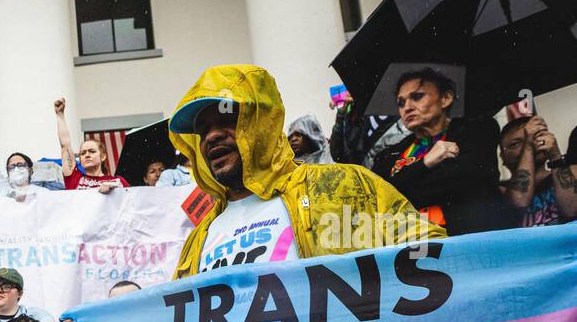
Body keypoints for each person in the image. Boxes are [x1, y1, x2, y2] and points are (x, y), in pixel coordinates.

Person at [167, 64, 443, 279]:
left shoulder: (343, 188)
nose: (212, 136)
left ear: (262, 122)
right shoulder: (198, 238)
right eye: (202, 131)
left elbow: (434, 260)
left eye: (227, 119)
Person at [371, 68, 512, 235]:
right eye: (401, 103)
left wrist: (406, 189)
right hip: (414, 251)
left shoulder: (476, 130)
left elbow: (465, 179)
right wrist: (425, 163)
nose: (407, 108)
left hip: (470, 244)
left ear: (446, 98)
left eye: (417, 97)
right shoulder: (389, 154)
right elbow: (379, 200)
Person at [499, 116, 577, 226]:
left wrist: (555, 156)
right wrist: (528, 147)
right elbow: (520, 201)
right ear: (502, 156)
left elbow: (571, 210)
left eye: (534, 138)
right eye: (516, 144)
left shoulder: (573, 172)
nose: (530, 142)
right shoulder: (501, 190)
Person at [56, 99, 129, 192]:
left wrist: (116, 192)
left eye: (92, 151)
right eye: (82, 153)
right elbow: (65, 146)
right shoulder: (74, 179)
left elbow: (133, 201)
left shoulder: (118, 181)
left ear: (103, 157)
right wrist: (60, 115)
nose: (87, 155)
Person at [0, 113, 43, 202]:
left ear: (31, 170)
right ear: (8, 173)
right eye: (12, 167)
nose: (16, 169)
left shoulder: (41, 194)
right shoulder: (0, 191)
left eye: (20, 165)